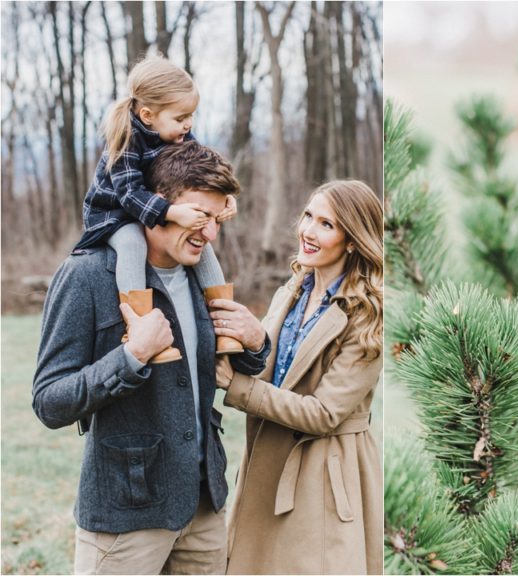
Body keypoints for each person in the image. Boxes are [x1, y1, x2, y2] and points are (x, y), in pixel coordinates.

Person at [33, 141, 270, 575]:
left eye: (216, 220)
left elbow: (226, 369)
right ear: (158, 204)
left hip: (205, 505)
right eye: (199, 216)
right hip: (126, 515)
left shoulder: (201, 276)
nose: (210, 234)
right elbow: (50, 401)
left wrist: (256, 343)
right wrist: (132, 356)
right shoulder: (86, 275)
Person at [213, 180, 384, 575]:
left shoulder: (368, 316)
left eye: (326, 224)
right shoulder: (290, 292)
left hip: (323, 471)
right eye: (309, 216)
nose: (308, 230)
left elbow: (324, 414)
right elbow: (270, 371)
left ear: (352, 241)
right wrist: (243, 341)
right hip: (267, 462)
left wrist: (237, 386)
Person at [75, 55, 242, 363]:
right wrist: (174, 213)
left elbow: (204, 172)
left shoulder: (176, 133)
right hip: (113, 214)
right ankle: (140, 329)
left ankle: (226, 328)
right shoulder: (126, 139)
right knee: (132, 244)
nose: (188, 124)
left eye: (191, 116)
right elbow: (129, 194)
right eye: (181, 118)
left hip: (152, 204)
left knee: (204, 246)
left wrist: (225, 197)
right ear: (148, 115)